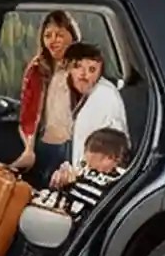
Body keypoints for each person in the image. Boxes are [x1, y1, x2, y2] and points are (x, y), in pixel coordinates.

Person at [0, 127, 130, 256]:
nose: (86, 163)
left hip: (76, 218)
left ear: (109, 158)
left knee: (44, 214)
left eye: (91, 157)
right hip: (68, 208)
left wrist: (71, 185)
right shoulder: (90, 171)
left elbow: (91, 195)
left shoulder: (112, 179)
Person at [10, 11, 81, 189]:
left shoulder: (81, 68)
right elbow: (28, 115)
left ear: (72, 36)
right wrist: (29, 149)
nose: (53, 40)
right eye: (48, 35)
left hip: (73, 146)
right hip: (44, 146)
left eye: (59, 35)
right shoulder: (36, 70)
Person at [53, 41, 127, 171]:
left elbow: (88, 157)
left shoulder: (103, 97)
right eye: (78, 67)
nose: (84, 74)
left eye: (92, 69)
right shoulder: (83, 95)